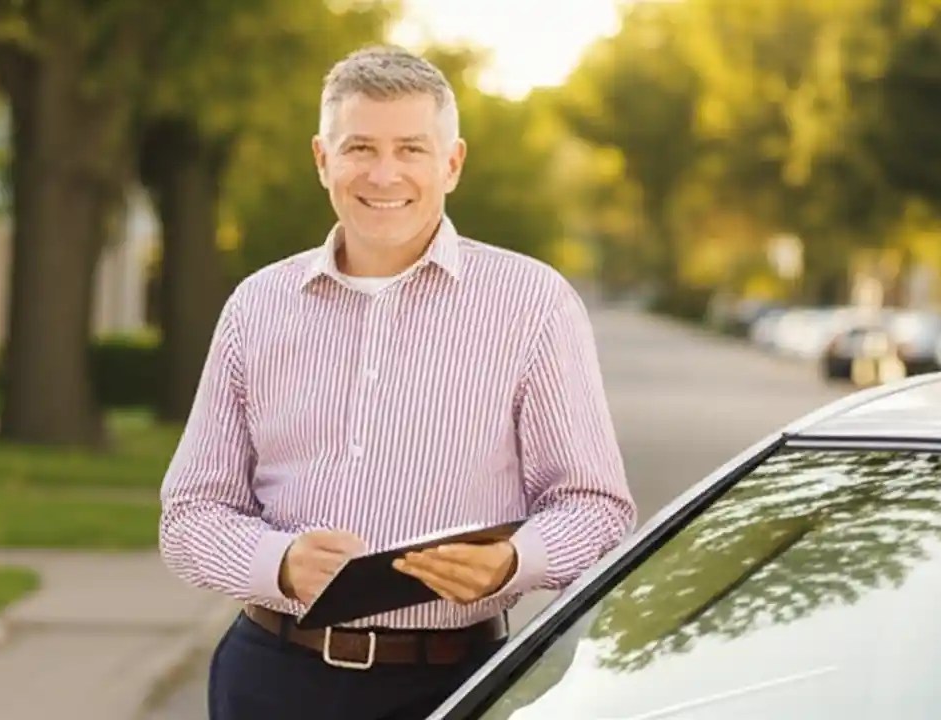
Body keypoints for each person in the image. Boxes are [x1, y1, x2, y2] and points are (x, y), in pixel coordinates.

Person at [158, 45, 637, 720]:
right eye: (360, 148)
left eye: (411, 149)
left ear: (452, 162)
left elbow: (598, 510)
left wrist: (512, 562)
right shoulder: (257, 307)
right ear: (323, 159)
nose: (384, 174)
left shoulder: (534, 305)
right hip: (270, 680)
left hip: (453, 687)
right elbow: (189, 516)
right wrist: (282, 563)